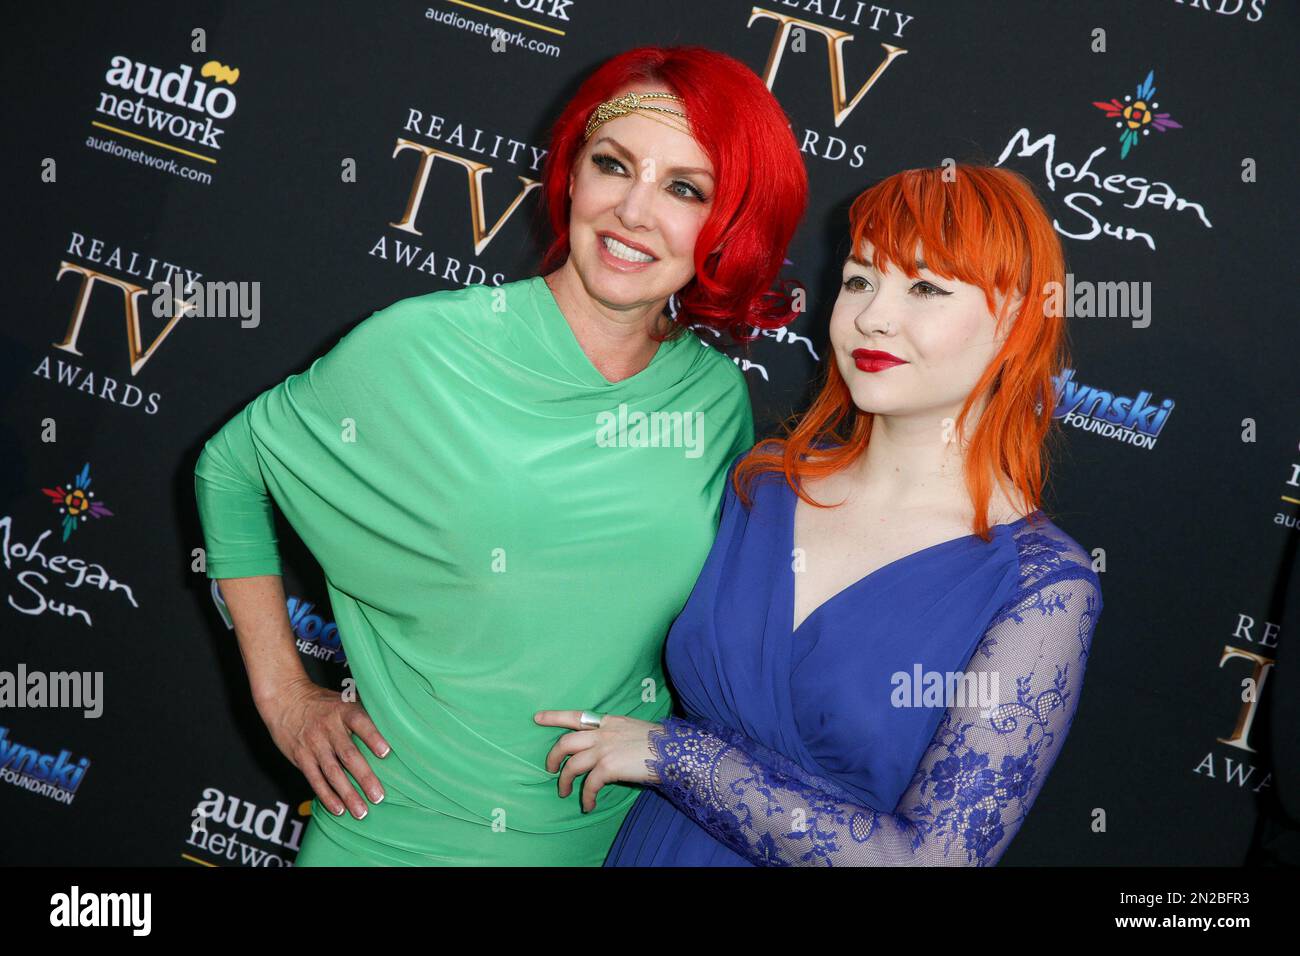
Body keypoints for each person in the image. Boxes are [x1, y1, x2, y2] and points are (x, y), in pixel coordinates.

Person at [193, 46, 807, 865]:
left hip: (604, 844)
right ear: (573, 175)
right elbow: (231, 466)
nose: (633, 209)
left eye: (684, 188)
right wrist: (282, 695)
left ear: (728, 225)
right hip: (400, 835)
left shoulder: (713, 399)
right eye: (613, 165)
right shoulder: (426, 345)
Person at [535, 164, 1104, 866]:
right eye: (861, 279)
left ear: (1018, 317)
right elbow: (555, 588)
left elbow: (931, 863)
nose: (872, 316)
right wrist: (358, 678)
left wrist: (678, 758)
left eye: (925, 287)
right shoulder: (762, 485)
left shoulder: (1038, 585)